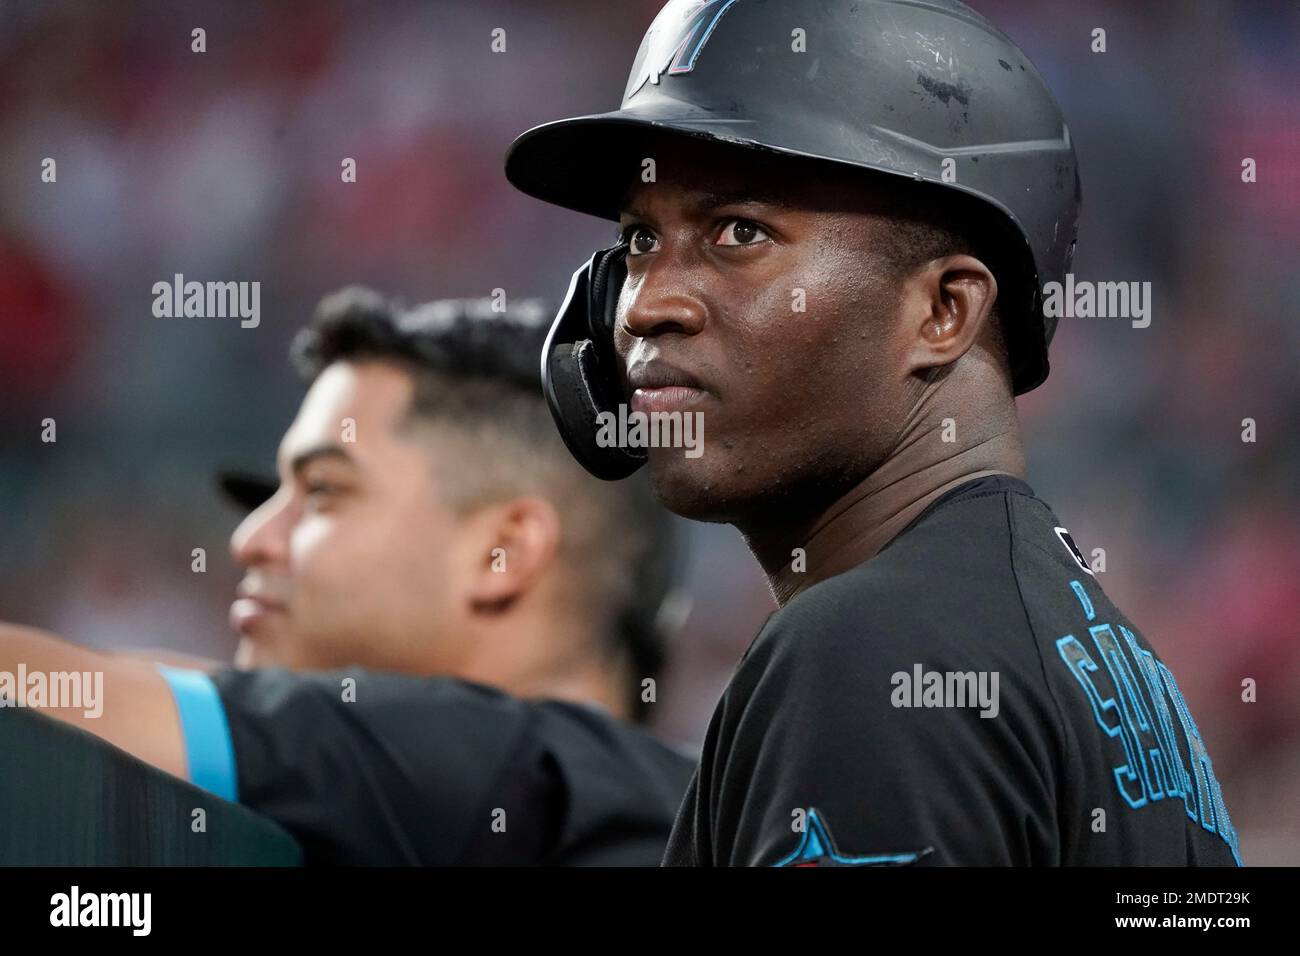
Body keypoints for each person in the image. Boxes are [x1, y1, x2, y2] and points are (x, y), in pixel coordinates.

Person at [503, 0, 1241, 865]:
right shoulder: (1107, 659)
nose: (647, 304)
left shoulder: (869, 654)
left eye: (740, 231)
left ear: (943, 310)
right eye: (638, 240)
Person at [0, 289, 695, 865]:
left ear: (503, 551)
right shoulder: (693, 806)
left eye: (324, 491)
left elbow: (41, 689)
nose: (249, 540)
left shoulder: (502, 764)